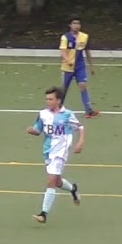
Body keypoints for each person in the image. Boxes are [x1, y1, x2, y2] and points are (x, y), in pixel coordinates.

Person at [27, 86, 85, 224]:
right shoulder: (42, 114)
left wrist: (80, 142)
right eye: (46, 99)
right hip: (48, 150)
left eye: (51, 99)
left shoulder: (67, 114)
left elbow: (80, 127)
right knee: (58, 181)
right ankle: (73, 189)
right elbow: (38, 130)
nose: (48, 101)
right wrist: (32, 131)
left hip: (60, 151)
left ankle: (44, 214)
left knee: (51, 181)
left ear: (58, 100)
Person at [60, 16, 98, 117]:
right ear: (70, 25)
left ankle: (89, 110)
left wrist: (91, 66)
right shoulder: (65, 37)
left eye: (78, 24)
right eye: (74, 23)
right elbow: (63, 52)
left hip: (80, 67)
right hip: (67, 67)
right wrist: (68, 61)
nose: (77, 26)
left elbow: (87, 52)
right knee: (64, 89)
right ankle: (57, 108)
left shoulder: (84, 37)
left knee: (83, 85)